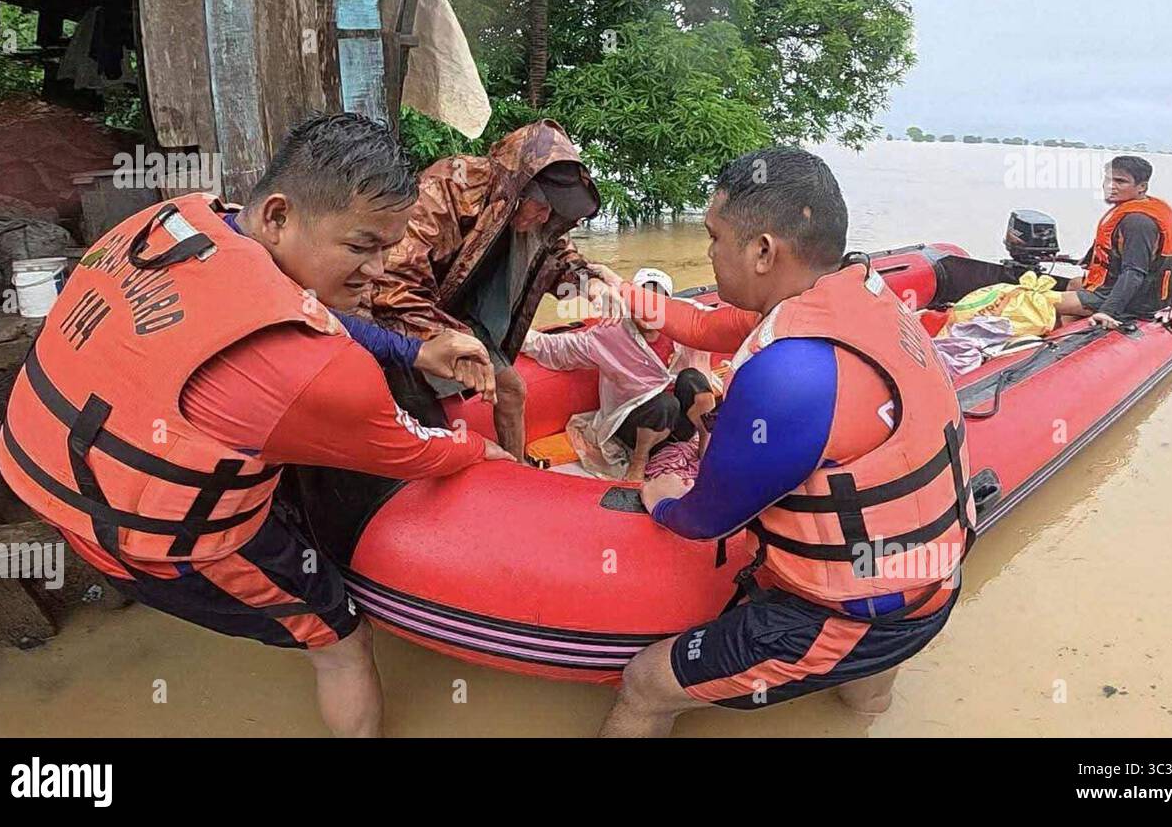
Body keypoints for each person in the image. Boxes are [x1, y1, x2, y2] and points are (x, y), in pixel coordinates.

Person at [0, 113, 513, 738]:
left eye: (388, 248)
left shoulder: (172, 223)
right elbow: (418, 453)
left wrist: (411, 349)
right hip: (150, 540)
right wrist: (483, 449)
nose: (379, 270)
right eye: (361, 246)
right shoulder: (318, 374)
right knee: (342, 637)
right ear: (276, 215)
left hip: (49, 469)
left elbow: (273, 305)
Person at [589, 147, 974, 737]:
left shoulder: (791, 375)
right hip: (934, 582)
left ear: (763, 250)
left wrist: (661, 493)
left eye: (715, 237)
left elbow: (704, 520)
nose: (708, 252)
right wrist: (623, 290)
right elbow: (696, 323)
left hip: (844, 612)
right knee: (864, 699)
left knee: (645, 685)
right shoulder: (857, 295)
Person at [367, 120, 613, 459]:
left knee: (511, 389)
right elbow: (391, 283)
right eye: (540, 207)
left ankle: (517, 472)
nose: (544, 218)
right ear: (518, 189)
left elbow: (556, 254)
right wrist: (444, 340)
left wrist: (590, 284)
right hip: (406, 318)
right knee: (424, 428)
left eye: (552, 212)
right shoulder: (449, 187)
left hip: (465, 314)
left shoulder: (535, 217)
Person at [521, 268, 718, 481]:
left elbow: (708, 317)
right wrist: (509, 334)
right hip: (634, 425)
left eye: (656, 301)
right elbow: (553, 348)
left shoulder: (680, 330)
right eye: (642, 300)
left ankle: (706, 443)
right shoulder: (610, 333)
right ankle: (639, 462)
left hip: (679, 425)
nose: (648, 309)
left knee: (693, 379)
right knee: (664, 403)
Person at [1056, 156, 1172, 329]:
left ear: (1142, 187)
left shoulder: (1138, 222)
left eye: (1120, 181)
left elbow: (1134, 272)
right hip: (1125, 287)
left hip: (1135, 299)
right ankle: (1067, 332)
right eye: (1108, 179)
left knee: (1039, 303)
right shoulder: (1134, 208)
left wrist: (1107, 311)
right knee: (1074, 284)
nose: (1110, 186)